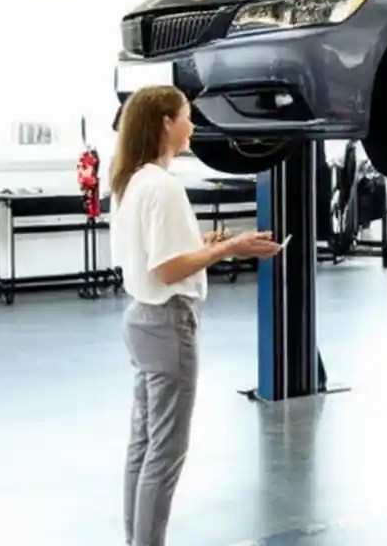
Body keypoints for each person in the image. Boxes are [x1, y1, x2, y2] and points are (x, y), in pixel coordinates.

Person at [109, 85, 282, 546]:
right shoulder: (162, 187)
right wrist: (231, 247)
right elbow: (167, 270)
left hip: (142, 320)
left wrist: (201, 248)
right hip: (168, 324)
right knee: (166, 451)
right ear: (166, 123)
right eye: (186, 115)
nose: (192, 124)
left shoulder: (132, 181)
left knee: (144, 442)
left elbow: (152, 256)